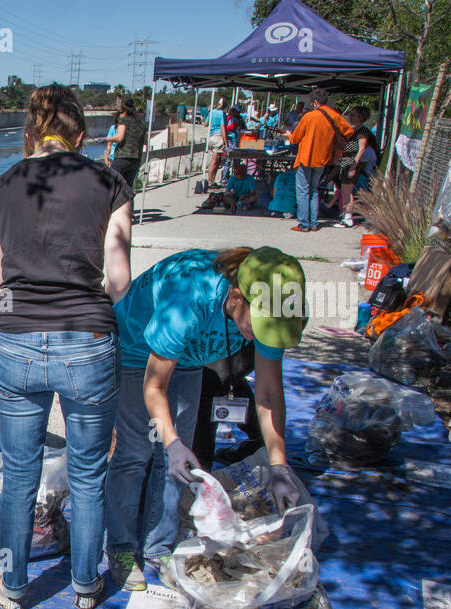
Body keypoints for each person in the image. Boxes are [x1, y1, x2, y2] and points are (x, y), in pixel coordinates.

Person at [0, 84, 133, 609]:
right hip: (87, 342)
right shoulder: (110, 182)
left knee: (19, 473)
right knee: (89, 473)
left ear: (30, 135)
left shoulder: (0, 187)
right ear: (81, 136)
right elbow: (118, 279)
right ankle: (87, 585)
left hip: (17, 341)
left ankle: (15, 586)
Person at [103, 247, 307, 590]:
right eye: (258, 328)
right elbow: (155, 386)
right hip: (138, 354)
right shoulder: (191, 296)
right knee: (136, 452)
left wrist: (279, 466)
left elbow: (269, 394)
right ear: (237, 297)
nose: (260, 340)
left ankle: (160, 547)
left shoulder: (274, 306)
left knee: (178, 462)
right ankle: (121, 547)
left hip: (188, 361)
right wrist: (171, 440)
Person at [288, 88, 354, 233]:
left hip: (305, 158)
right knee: (314, 190)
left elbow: (295, 138)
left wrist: (288, 134)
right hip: (323, 159)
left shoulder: (309, 117)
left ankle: (304, 224)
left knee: (303, 190)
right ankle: (314, 223)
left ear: (315, 102)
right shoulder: (335, 116)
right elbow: (349, 133)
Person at [332, 107, 375, 228]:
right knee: (345, 191)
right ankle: (346, 215)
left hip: (351, 162)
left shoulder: (362, 131)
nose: (350, 117)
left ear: (361, 117)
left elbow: (361, 149)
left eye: (354, 115)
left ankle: (348, 217)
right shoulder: (353, 129)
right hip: (346, 161)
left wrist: (354, 165)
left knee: (348, 191)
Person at [105, 99, 147, 190]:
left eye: (120, 112)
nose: (119, 115)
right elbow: (145, 142)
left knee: (111, 184)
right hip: (136, 159)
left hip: (122, 157)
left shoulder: (124, 121)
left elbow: (119, 137)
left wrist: (106, 139)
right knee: (128, 189)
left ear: (124, 111)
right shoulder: (142, 124)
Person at [204, 98, 227, 190]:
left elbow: (205, 124)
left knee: (215, 161)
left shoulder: (211, 112)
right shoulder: (222, 114)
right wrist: (226, 142)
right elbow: (223, 128)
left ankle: (212, 181)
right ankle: (210, 181)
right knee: (215, 162)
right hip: (219, 138)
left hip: (211, 137)